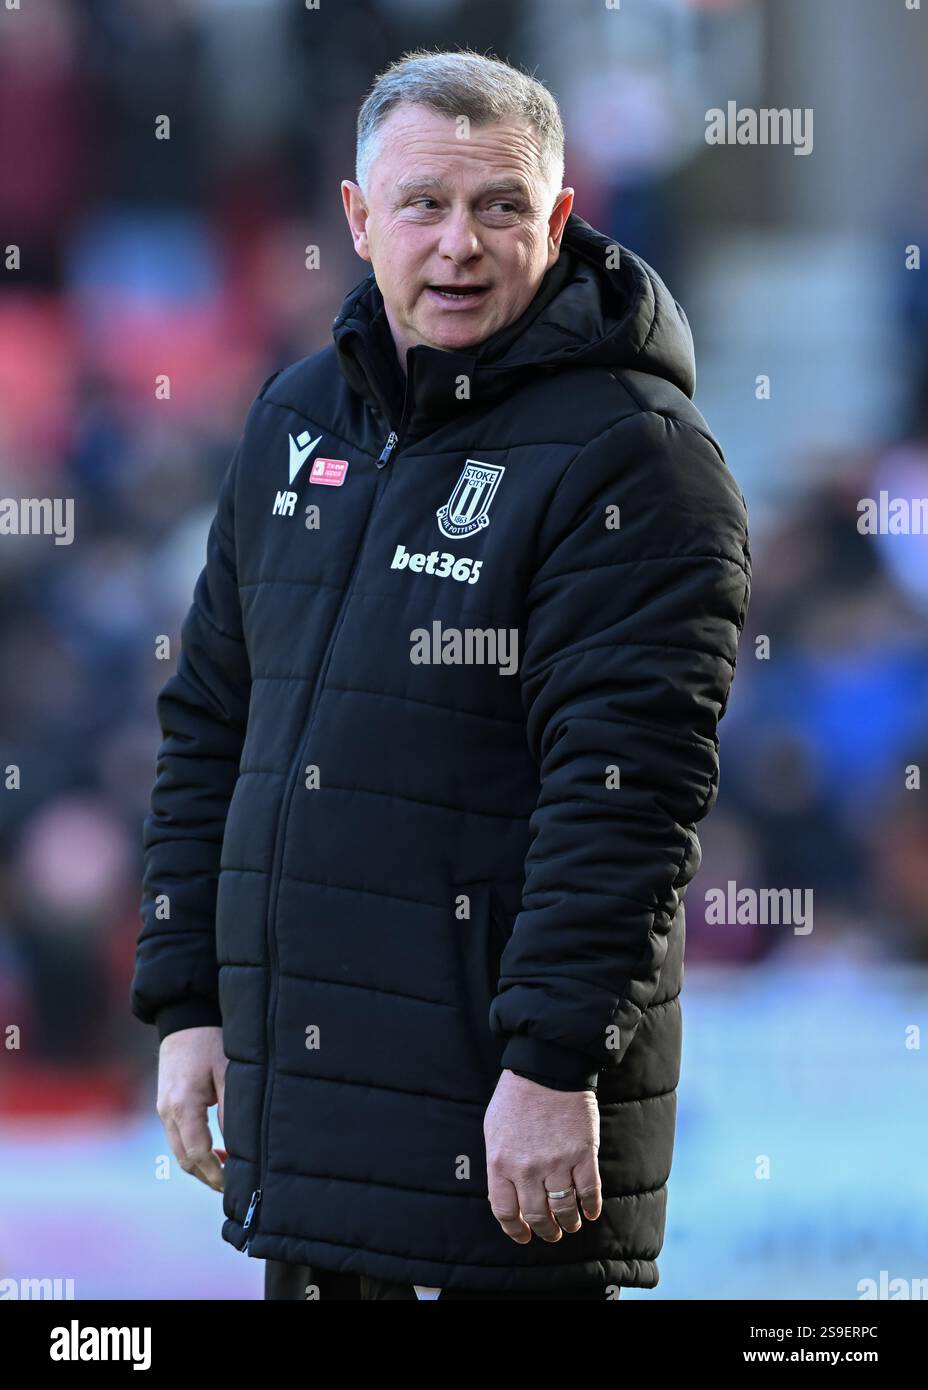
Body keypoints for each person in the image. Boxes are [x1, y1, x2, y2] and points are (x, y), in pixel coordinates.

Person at [131, 47, 751, 1301]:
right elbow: (211, 725)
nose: (459, 244)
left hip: (499, 1139)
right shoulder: (297, 418)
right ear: (358, 221)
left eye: (500, 206)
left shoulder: (634, 458)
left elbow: (625, 795)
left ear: (562, 216)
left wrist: (552, 1064)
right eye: (423, 204)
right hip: (308, 1134)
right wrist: (187, 996)